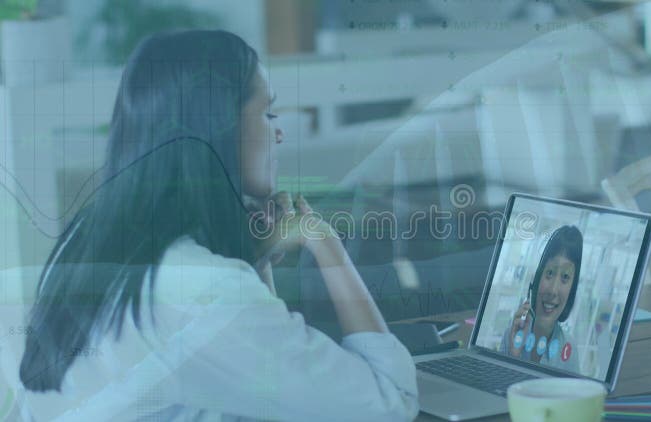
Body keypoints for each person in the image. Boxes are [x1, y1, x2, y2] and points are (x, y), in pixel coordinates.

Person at [17, 30, 418, 421]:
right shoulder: (206, 290)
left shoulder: (87, 238)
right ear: (220, 126)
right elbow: (390, 401)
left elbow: (262, 393)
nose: (279, 132)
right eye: (268, 113)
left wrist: (255, 258)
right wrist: (325, 243)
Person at [499, 225, 583, 374]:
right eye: (549, 273)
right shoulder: (511, 335)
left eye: (565, 277)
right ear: (537, 280)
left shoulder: (569, 352)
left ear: (572, 289)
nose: (553, 290)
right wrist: (514, 356)